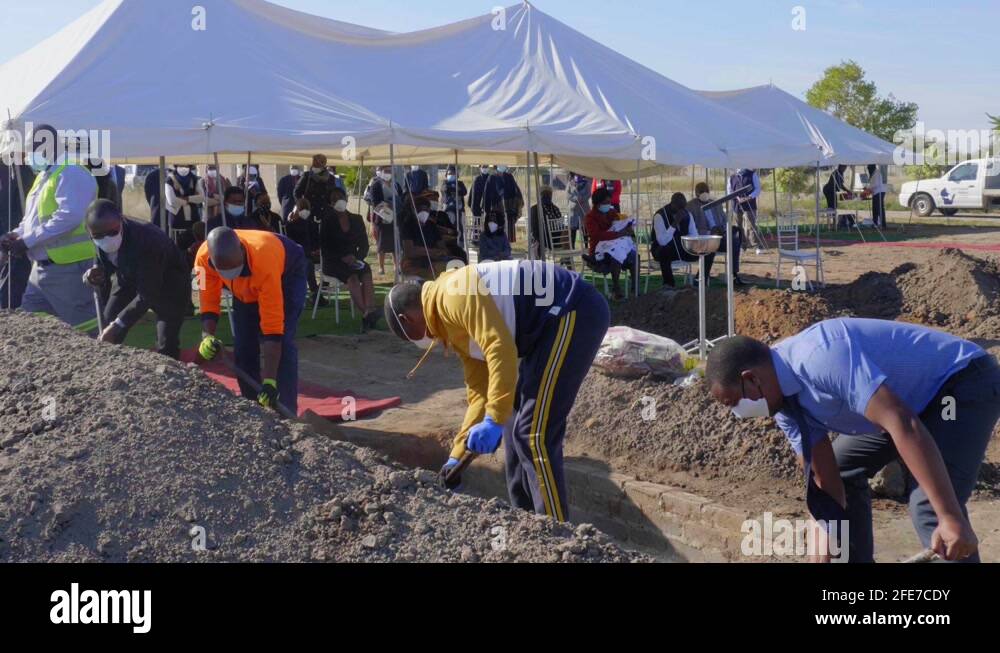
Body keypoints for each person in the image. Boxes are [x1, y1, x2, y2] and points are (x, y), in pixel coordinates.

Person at [705, 319, 1000, 563]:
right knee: (843, 467)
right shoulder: (782, 405)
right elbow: (824, 476)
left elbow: (903, 423)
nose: (737, 412)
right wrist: (824, 528)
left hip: (957, 387)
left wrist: (950, 516)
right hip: (906, 406)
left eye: (733, 401)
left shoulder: (819, 356)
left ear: (752, 378)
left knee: (930, 506)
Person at [383, 260, 611, 521]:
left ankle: (557, 534)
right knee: (514, 429)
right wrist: (457, 456)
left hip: (573, 310)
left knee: (534, 434)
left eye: (410, 337)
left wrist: (493, 418)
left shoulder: (453, 295)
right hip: (545, 330)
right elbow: (480, 391)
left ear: (407, 319)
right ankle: (526, 524)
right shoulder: (449, 321)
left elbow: (499, 349)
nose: (420, 343)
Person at [195, 227, 308, 416]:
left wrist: (270, 382)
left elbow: (273, 328)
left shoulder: (264, 263)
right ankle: (252, 409)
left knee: (284, 341)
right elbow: (207, 300)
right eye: (225, 271)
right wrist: (207, 335)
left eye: (235, 269)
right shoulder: (201, 259)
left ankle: (286, 412)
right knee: (244, 346)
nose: (232, 274)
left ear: (241, 251)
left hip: (287, 273)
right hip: (244, 289)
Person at [0, 124, 99, 332]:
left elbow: (69, 216)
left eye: (29, 152)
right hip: (42, 268)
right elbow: (31, 221)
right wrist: (15, 236)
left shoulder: (71, 173)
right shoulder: (44, 177)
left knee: (86, 329)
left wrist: (27, 241)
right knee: (30, 327)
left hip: (69, 268)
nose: (26, 158)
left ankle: (108, 363)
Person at [82, 199, 190, 359]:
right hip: (128, 278)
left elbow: (147, 294)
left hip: (170, 286)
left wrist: (118, 325)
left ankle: (170, 377)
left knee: (166, 343)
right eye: (98, 236)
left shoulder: (149, 240)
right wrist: (97, 272)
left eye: (112, 232)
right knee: (107, 324)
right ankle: (109, 368)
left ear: (121, 220)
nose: (105, 238)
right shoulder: (100, 230)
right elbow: (106, 259)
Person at [320, 187, 380, 330]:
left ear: (346, 199)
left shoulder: (357, 219)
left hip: (354, 259)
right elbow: (325, 248)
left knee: (366, 271)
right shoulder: (327, 221)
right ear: (330, 203)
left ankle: (370, 310)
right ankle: (366, 313)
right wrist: (342, 258)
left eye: (340, 197)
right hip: (334, 262)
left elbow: (364, 245)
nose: (338, 201)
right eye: (334, 199)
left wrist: (356, 257)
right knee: (352, 277)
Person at [583, 188, 638, 300]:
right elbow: (597, 235)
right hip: (599, 250)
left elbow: (619, 221)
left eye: (609, 202)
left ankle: (635, 288)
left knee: (634, 256)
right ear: (597, 203)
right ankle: (616, 288)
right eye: (605, 203)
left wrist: (627, 227)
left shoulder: (611, 212)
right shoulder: (590, 217)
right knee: (614, 256)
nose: (608, 205)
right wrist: (617, 234)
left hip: (617, 245)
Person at [688, 182, 745, 285]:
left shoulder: (715, 204)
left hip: (720, 236)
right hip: (702, 239)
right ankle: (701, 278)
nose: (704, 193)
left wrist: (723, 229)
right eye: (701, 191)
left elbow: (724, 221)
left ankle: (733, 275)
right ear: (696, 193)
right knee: (711, 245)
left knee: (735, 239)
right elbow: (692, 228)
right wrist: (709, 232)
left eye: (706, 191)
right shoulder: (691, 206)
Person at [650, 193, 709, 288]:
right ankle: (668, 284)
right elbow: (662, 241)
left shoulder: (687, 214)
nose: (682, 210)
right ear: (672, 204)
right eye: (679, 207)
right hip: (663, 250)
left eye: (683, 207)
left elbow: (694, 236)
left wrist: (697, 246)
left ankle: (699, 280)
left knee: (707, 251)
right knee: (664, 250)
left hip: (682, 248)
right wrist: (675, 223)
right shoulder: (660, 215)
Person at [0, 162, 36, 309]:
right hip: (10, 243)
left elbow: (26, 211)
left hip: (17, 248)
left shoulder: (17, 171)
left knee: (9, 299)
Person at [399, 195, 460, 280]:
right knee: (441, 269)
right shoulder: (407, 225)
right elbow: (410, 251)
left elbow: (441, 246)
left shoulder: (431, 225)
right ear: (414, 210)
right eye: (421, 209)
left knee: (458, 262)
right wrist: (431, 252)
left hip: (433, 260)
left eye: (426, 210)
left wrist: (442, 252)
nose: (424, 212)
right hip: (413, 263)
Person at [364, 166, 403, 275]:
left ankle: (397, 266)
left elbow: (401, 197)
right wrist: (388, 205)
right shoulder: (376, 184)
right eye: (386, 171)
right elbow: (375, 202)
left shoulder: (396, 184)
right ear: (380, 172)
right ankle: (381, 267)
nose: (388, 173)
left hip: (395, 217)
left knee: (396, 243)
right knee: (382, 244)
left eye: (390, 171)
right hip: (381, 218)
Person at [164, 163, 203, 250]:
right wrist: (191, 200)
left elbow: (201, 197)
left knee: (193, 246)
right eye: (181, 166)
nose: (184, 168)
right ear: (176, 167)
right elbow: (172, 200)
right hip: (177, 220)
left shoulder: (194, 179)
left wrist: (187, 198)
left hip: (193, 220)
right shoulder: (169, 180)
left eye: (186, 166)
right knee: (176, 246)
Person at [483, 165, 523, 242]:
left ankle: (506, 245)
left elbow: (515, 190)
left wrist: (515, 202)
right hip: (496, 208)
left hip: (509, 208)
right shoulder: (492, 177)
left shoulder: (509, 176)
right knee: (497, 228)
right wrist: (487, 209)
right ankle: (498, 244)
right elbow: (487, 194)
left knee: (508, 229)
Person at [727, 168, 762, 251]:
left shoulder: (752, 175)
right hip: (736, 204)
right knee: (738, 226)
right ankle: (742, 244)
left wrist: (749, 197)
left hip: (750, 204)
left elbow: (758, 189)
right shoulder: (731, 177)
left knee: (751, 225)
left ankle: (755, 245)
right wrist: (737, 197)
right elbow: (729, 191)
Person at [529, 186, 567, 258]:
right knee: (565, 229)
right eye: (545, 194)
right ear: (540, 195)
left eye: (548, 194)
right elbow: (534, 229)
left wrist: (564, 224)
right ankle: (566, 259)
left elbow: (562, 223)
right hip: (542, 239)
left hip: (556, 238)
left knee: (566, 228)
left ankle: (566, 258)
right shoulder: (535, 209)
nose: (547, 196)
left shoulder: (555, 208)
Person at [439, 165, 467, 246]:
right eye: (450, 173)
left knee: (459, 226)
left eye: (453, 173)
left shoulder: (460, 183)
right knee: (448, 226)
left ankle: (460, 243)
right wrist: (455, 189)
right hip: (448, 209)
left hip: (459, 208)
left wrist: (455, 189)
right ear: (446, 174)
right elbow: (444, 190)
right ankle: (448, 243)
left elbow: (464, 192)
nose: (451, 175)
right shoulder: (445, 183)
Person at [567, 171, 591, 249]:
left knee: (585, 228)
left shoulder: (586, 183)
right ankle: (572, 247)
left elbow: (588, 194)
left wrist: (582, 199)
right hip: (573, 211)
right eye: (576, 174)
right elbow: (568, 194)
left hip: (584, 209)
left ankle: (586, 246)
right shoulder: (570, 183)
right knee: (573, 229)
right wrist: (575, 199)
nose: (578, 175)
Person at [468, 164, 491, 238]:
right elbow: (473, 194)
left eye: (486, 167)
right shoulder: (477, 179)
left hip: (489, 206)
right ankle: (476, 239)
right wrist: (474, 206)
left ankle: (488, 239)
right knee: (477, 223)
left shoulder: (491, 178)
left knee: (489, 223)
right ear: (480, 168)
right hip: (477, 206)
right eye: (483, 167)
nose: (484, 169)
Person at [865, 164, 887, 230]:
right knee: (875, 209)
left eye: (869, 169)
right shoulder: (874, 173)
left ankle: (883, 225)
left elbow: (875, 184)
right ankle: (875, 223)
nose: (869, 171)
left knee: (879, 209)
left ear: (872, 168)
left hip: (879, 192)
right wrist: (868, 188)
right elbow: (872, 184)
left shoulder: (877, 173)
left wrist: (868, 188)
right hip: (876, 193)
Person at [143, 165, 162, 229]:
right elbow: (148, 193)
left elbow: (148, 193)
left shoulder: (151, 175)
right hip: (157, 210)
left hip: (156, 210)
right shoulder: (152, 176)